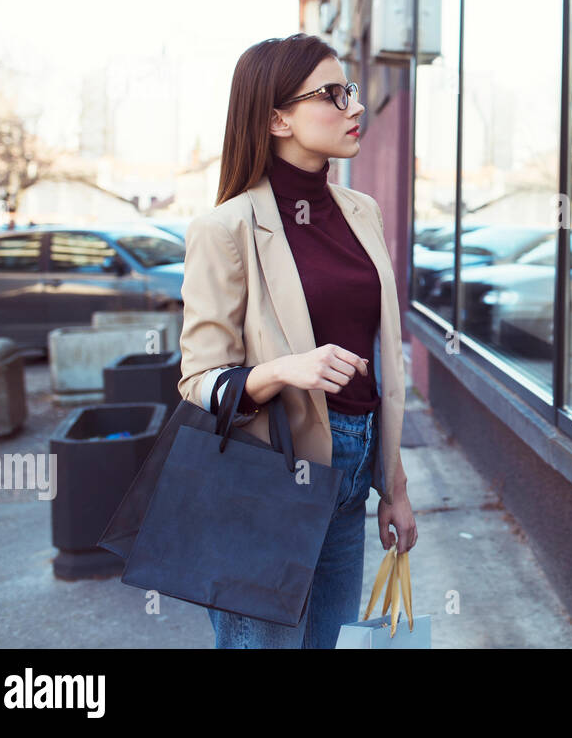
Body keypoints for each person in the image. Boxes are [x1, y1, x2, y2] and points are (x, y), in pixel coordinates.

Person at [177, 33, 417, 648]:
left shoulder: (361, 211)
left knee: (329, 644)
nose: (355, 107)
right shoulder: (225, 228)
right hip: (267, 480)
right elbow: (199, 380)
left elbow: (380, 366)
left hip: (352, 476)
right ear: (277, 117)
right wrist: (285, 370)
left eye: (352, 91)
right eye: (333, 95)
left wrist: (393, 488)